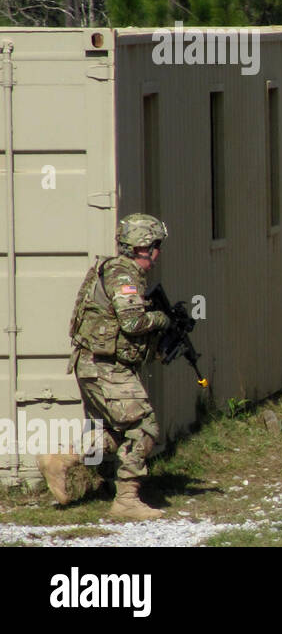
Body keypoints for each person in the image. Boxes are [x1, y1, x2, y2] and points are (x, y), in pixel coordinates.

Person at [38, 214, 172, 520]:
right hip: (106, 366)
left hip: (96, 365)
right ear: (143, 247)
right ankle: (126, 500)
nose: (158, 252)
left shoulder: (119, 271)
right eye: (155, 245)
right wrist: (161, 319)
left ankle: (61, 460)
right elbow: (132, 321)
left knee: (114, 430)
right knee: (144, 427)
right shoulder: (123, 275)